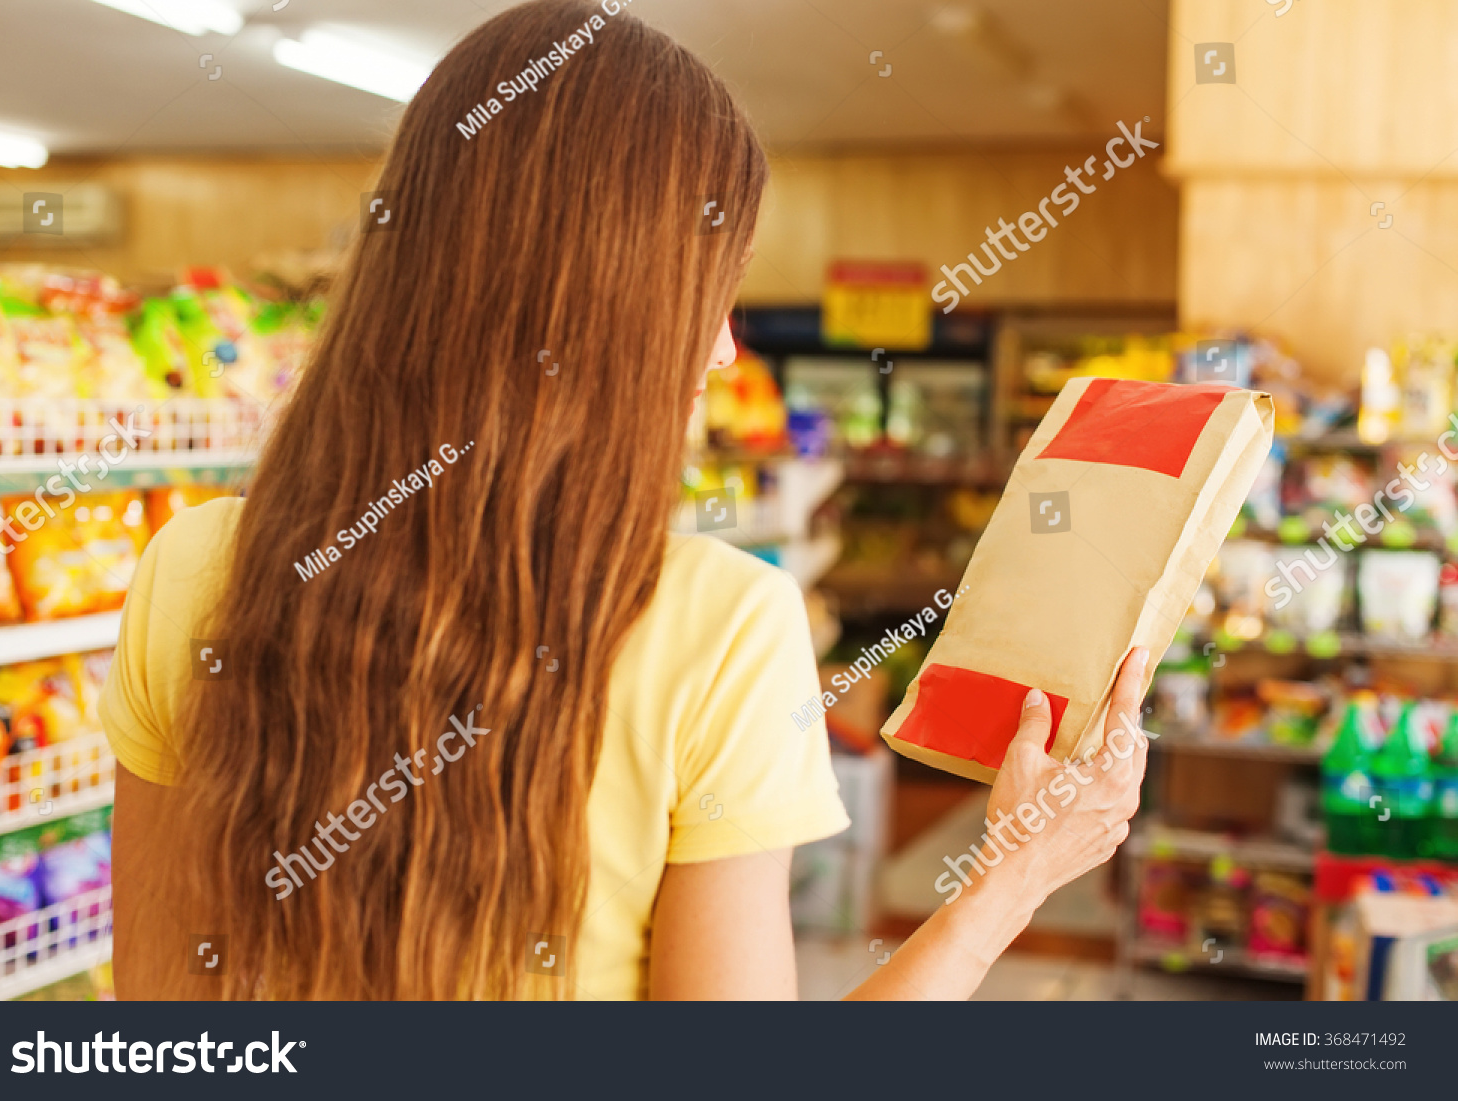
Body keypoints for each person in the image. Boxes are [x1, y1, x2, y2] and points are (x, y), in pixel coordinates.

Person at [103, 0, 1149, 1000]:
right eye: (710, 294)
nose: (726, 346)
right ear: (610, 309)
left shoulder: (193, 569)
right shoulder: (721, 626)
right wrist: (1019, 869)